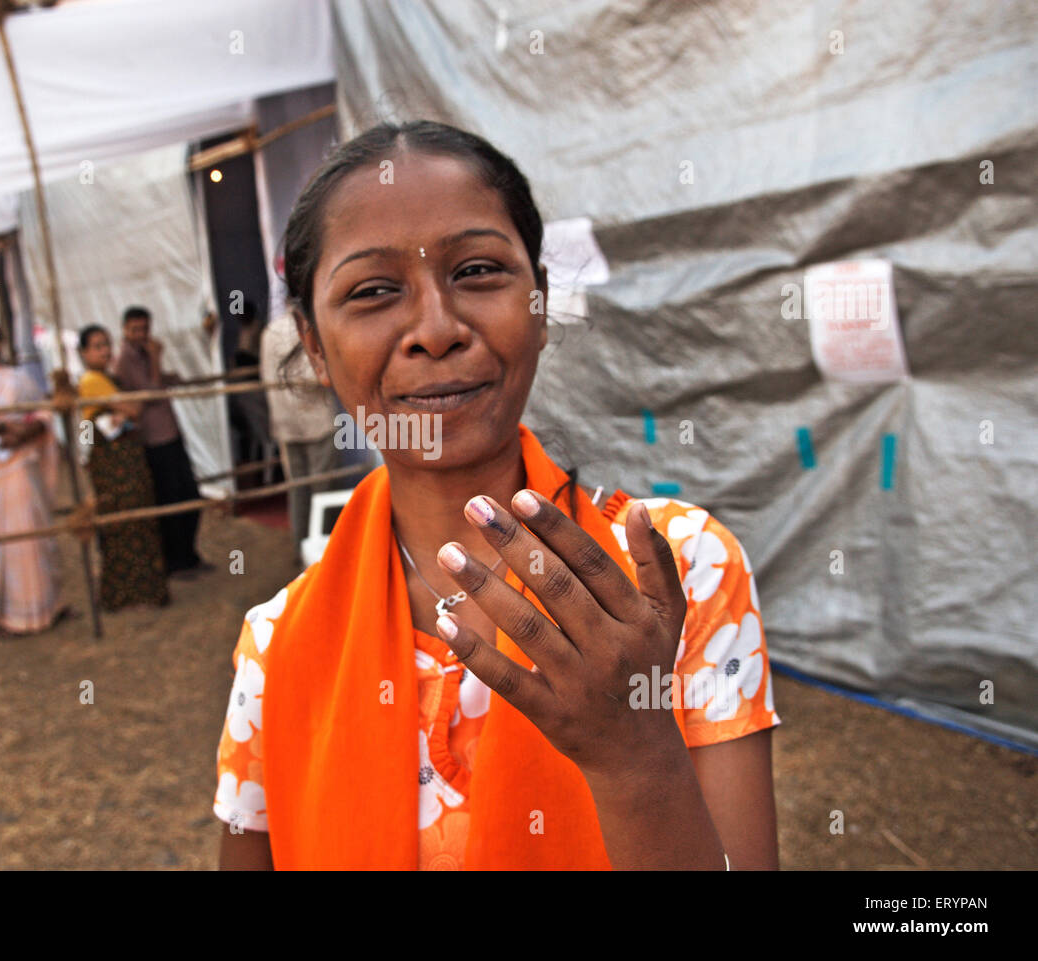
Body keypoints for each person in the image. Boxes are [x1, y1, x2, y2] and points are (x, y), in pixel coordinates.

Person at [214, 121, 781, 871]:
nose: (437, 329)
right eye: (374, 290)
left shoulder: (677, 570)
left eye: (478, 271)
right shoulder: (277, 644)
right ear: (314, 345)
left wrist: (634, 755)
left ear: (541, 304)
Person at [0, 322, 67, 635]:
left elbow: (42, 415)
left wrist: (24, 433)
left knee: (34, 533)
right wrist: (3, 428)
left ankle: (45, 605)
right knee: (3, 538)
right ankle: (10, 613)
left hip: (23, 465)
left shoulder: (18, 379)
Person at [76, 324, 170, 611]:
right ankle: (131, 594)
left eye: (106, 344)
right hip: (115, 466)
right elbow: (135, 410)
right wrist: (125, 409)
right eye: (96, 346)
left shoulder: (107, 379)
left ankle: (136, 593)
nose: (104, 351)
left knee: (133, 522)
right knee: (127, 523)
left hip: (123, 462)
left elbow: (131, 411)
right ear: (83, 353)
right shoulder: (93, 381)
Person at [114, 306, 208, 577]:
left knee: (189, 495)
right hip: (154, 440)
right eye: (135, 329)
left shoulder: (143, 354)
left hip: (170, 434)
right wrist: (157, 360)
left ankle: (189, 556)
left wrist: (167, 375)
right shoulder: (124, 360)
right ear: (124, 329)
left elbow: (155, 384)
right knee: (170, 502)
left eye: (144, 328)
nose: (141, 334)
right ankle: (175, 562)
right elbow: (151, 394)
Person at [260, 306, 341, 560]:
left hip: (286, 422)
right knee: (322, 488)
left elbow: (266, 377)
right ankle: (321, 552)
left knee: (298, 489)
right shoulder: (304, 329)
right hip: (314, 420)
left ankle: (301, 547)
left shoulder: (269, 332)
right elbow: (313, 376)